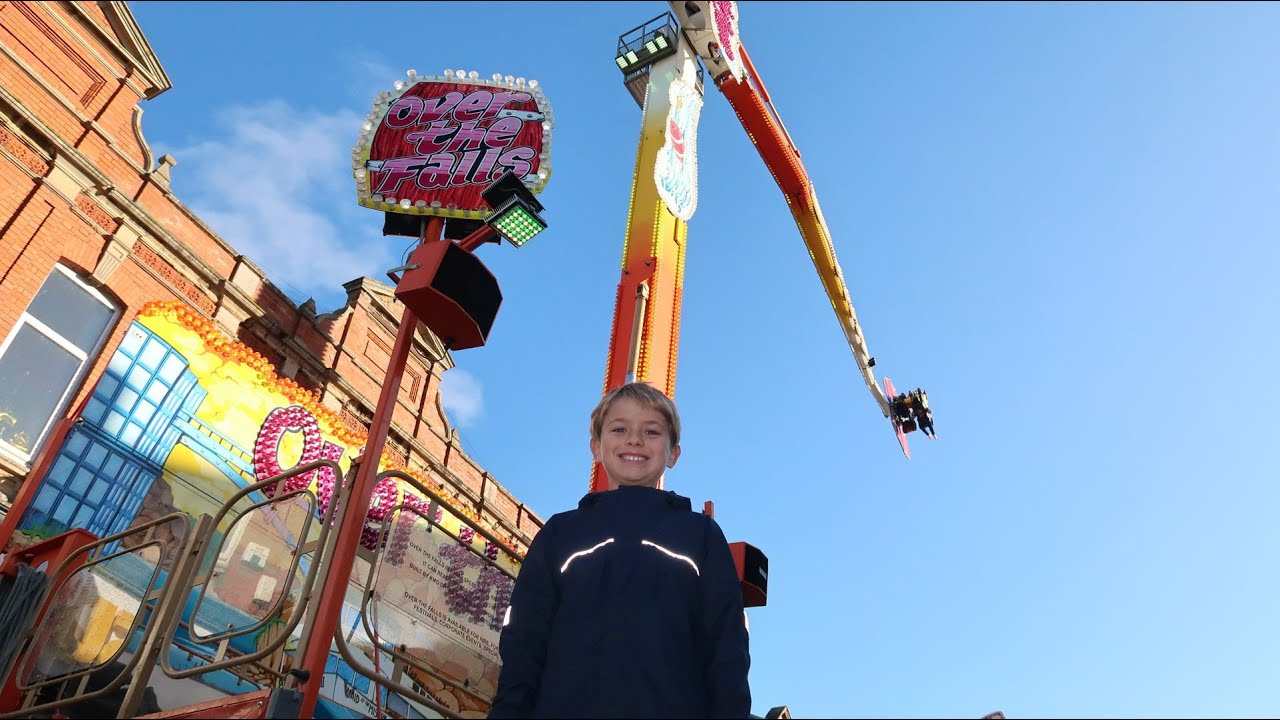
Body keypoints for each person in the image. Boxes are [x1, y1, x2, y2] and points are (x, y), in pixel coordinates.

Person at [488, 382, 751, 719]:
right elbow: (525, 637)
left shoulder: (701, 534)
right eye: (620, 428)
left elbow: (726, 645)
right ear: (596, 447)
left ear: (673, 454)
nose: (634, 440)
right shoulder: (560, 532)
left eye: (652, 431)